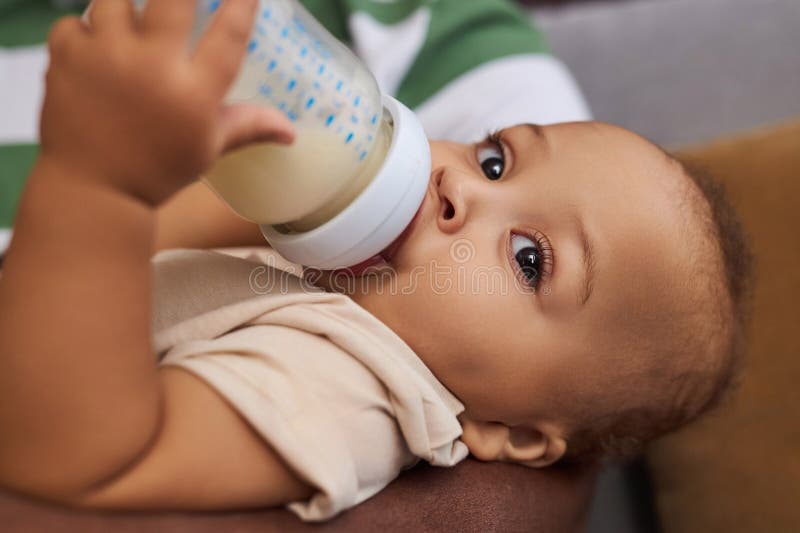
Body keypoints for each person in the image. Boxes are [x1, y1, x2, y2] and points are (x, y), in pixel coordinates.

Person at [0, 0, 753, 522]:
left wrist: (96, 181)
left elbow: (86, 457)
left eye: (529, 260)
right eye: (496, 160)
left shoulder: (353, 391)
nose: (459, 185)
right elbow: (158, 249)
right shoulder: (324, 272)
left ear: (513, 434)